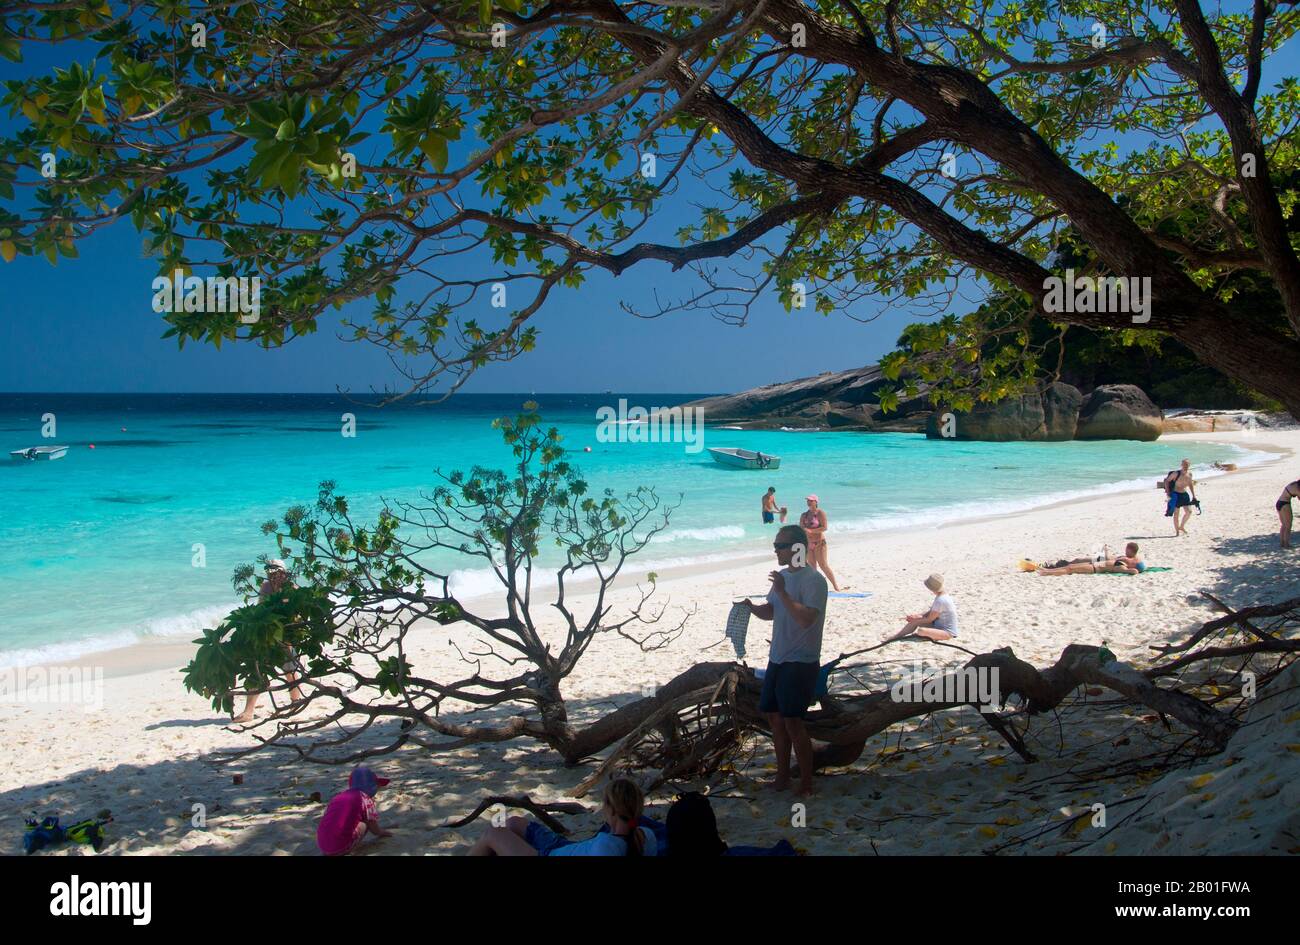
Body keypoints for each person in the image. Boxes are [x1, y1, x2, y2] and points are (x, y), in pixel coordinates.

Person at [742, 524, 828, 797]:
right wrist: (752, 608)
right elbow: (772, 612)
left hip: (801, 660)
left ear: (797, 548)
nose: (775, 550)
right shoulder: (782, 577)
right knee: (774, 717)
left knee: (793, 722)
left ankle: (806, 782)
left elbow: (806, 619)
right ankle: (782, 776)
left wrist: (782, 592)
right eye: (775, 545)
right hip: (777, 657)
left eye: (780, 546)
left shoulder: (813, 580)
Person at [468, 777, 656, 856]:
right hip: (562, 847)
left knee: (493, 833)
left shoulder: (606, 846)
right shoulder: (646, 836)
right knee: (513, 822)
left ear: (612, 811)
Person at [232, 559, 306, 723]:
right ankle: (248, 711)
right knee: (258, 670)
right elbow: (260, 608)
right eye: (269, 573)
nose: (272, 576)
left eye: (275, 573)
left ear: (283, 573)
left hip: (286, 635)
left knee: (290, 671)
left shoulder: (292, 589)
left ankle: (296, 702)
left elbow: (299, 614)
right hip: (267, 635)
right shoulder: (265, 587)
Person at [317, 765, 393, 856]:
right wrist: (384, 833)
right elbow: (374, 829)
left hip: (322, 845)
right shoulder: (364, 798)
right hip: (340, 847)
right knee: (365, 823)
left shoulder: (338, 797)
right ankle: (348, 849)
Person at [883, 574, 959, 642]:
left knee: (921, 631)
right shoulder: (943, 595)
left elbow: (930, 619)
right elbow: (931, 612)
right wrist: (917, 616)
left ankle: (896, 637)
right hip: (938, 625)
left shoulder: (941, 600)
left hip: (948, 633)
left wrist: (917, 618)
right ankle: (897, 636)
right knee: (915, 621)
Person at [799, 494, 844, 591]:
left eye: (811, 500)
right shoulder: (804, 515)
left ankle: (836, 586)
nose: (809, 502)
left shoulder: (820, 513)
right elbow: (801, 528)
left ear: (816, 502)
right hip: (808, 543)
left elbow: (824, 527)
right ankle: (814, 587)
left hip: (819, 542)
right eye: (808, 500)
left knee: (823, 565)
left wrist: (812, 531)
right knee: (812, 567)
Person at [1035, 542, 1144, 575]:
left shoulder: (1124, 567)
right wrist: (1104, 551)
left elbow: (1134, 571)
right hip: (1099, 562)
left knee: (1071, 568)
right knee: (1072, 564)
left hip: (1097, 567)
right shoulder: (1124, 560)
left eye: (1135, 562)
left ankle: (1047, 572)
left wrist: (1136, 568)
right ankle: (1049, 569)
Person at [1162, 459, 1197, 536]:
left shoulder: (1190, 474)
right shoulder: (1176, 473)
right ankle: (1177, 531)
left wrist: (1194, 495)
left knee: (1189, 512)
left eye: (1187, 464)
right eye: (1184, 464)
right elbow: (1167, 481)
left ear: (1189, 465)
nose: (1186, 466)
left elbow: (1190, 484)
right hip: (1175, 495)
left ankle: (1181, 526)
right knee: (1176, 514)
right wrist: (1168, 493)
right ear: (1181, 464)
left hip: (1184, 494)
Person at [1277, 478, 1300, 549]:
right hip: (1285, 504)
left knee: (1284, 525)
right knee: (1288, 525)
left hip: (1279, 502)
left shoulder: (1294, 484)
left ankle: (1282, 543)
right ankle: (1286, 544)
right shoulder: (1297, 488)